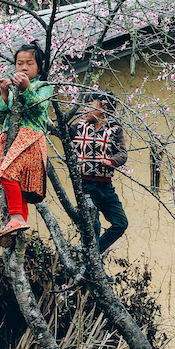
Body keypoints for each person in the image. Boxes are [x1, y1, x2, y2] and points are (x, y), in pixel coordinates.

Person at [0, 42, 52, 247]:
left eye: (29, 63)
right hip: (11, 138)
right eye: (19, 63)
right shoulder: (13, 89)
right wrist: (4, 94)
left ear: (39, 67)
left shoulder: (43, 87)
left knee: (7, 172)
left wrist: (26, 89)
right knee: (17, 183)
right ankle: (18, 225)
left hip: (29, 138)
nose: (24, 67)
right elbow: (0, 117)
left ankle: (16, 217)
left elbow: (39, 108)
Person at [71, 90, 129, 255]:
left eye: (90, 105)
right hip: (85, 187)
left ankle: (93, 255)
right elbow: (60, 130)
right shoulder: (78, 127)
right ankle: (91, 262)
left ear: (104, 108)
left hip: (106, 187)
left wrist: (111, 161)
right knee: (93, 225)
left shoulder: (114, 129)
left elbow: (122, 154)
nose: (85, 109)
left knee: (120, 223)